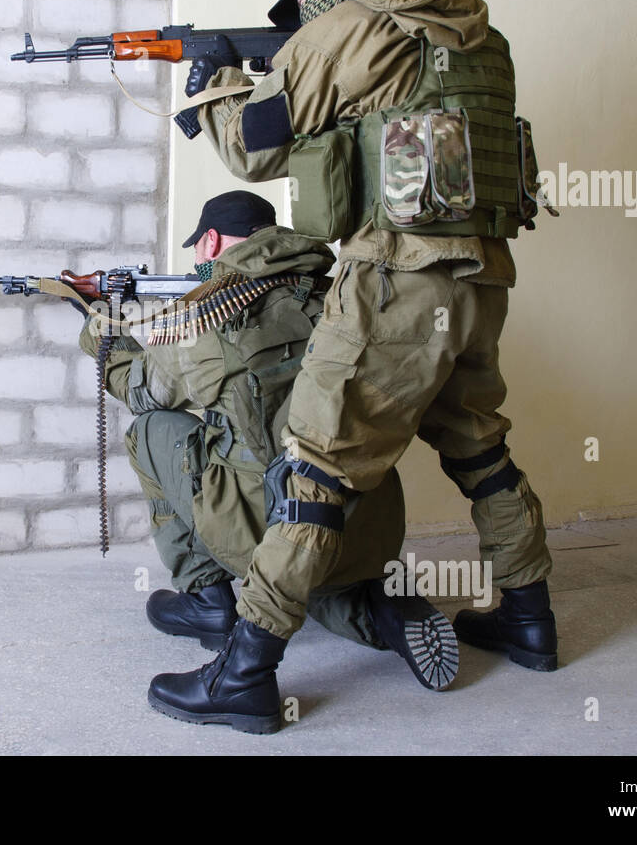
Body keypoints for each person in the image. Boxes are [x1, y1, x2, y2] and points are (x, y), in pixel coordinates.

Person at [157, 0, 558, 729]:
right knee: (480, 449)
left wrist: (215, 85)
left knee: (315, 467)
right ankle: (529, 615)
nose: (303, 15)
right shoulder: (483, 34)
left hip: (398, 286)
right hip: (482, 282)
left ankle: (246, 670)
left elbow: (252, 149)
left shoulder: (354, 23)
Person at [79, 190, 458, 732]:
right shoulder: (344, 297)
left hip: (272, 532)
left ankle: (209, 602)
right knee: (319, 556)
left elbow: (138, 389)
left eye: (199, 249)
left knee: (153, 431)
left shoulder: (207, 316)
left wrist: (99, 330)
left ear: (210, 242)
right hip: (369, 529)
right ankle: (382, 609)